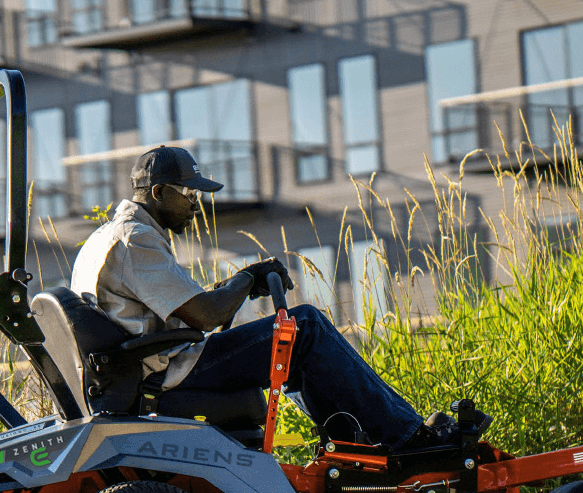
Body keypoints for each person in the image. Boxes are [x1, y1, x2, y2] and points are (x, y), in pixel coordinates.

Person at [70, 145, 465, 450]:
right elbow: (206, 316)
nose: (196, 201)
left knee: (295, 345)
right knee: (305, 327)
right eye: (187, 191)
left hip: (140, 370)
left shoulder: (108, 238)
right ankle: (407, 438)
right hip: (163, 375)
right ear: (157, 192)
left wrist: (240, 285)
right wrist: (245, 279)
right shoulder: (136, 240)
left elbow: (183, 306)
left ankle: (355, 449)